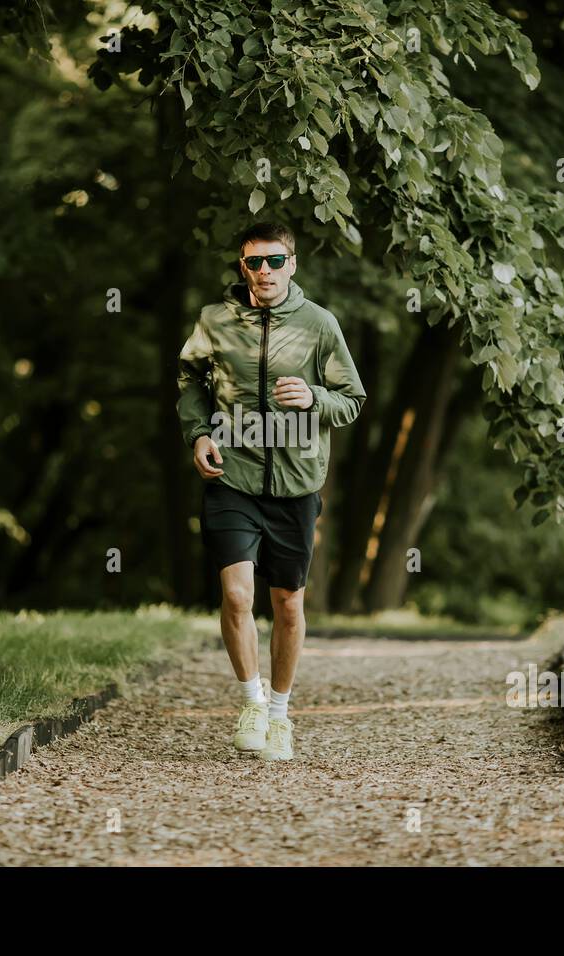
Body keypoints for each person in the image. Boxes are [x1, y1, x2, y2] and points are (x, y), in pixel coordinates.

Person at [175, 221, 366, 761]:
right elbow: (190, 379)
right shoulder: (214, 321)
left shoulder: (320, 325)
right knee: (237, 595)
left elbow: (351, 399)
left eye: (275, 261)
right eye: (254, 262)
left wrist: (313, 397)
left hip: (296, 481)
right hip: (231, 473)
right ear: (243, 267)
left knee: (287, 603)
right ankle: (251, 702)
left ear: (293, 264)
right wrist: (199, 433)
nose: (265, 271)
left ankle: (280, 713)